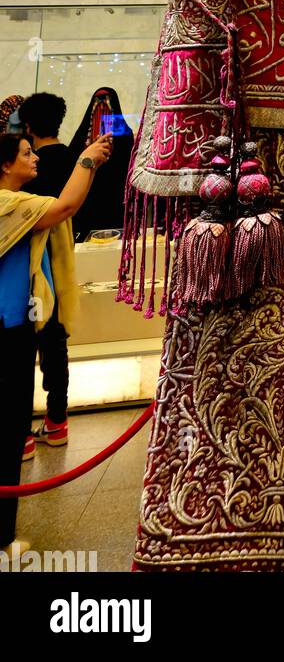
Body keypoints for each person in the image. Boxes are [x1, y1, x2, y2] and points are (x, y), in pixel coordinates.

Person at [0, 130, 110, 551]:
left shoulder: (21, 206)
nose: (35, 159)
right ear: (5, 164)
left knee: (11, 434)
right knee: (6, 433)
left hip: (18, 328)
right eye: (26, 154)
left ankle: (4, 535)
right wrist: (86, 160)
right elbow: (65, 206)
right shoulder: (9, 206)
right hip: (5, 333)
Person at [19, 93, 75, 457]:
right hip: (61, 261)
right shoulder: (72, 158)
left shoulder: (25, 174)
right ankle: (57, 421)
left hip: (28, 267)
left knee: (20, 349)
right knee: (55, 344)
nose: (31, 158)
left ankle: (20, 433)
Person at [67, 88, 133, 242]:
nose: (102, 105)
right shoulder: (82, 134)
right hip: (87, 198)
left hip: (115, 197)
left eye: (106, 100)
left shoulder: (125, 135)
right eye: (99, 100)